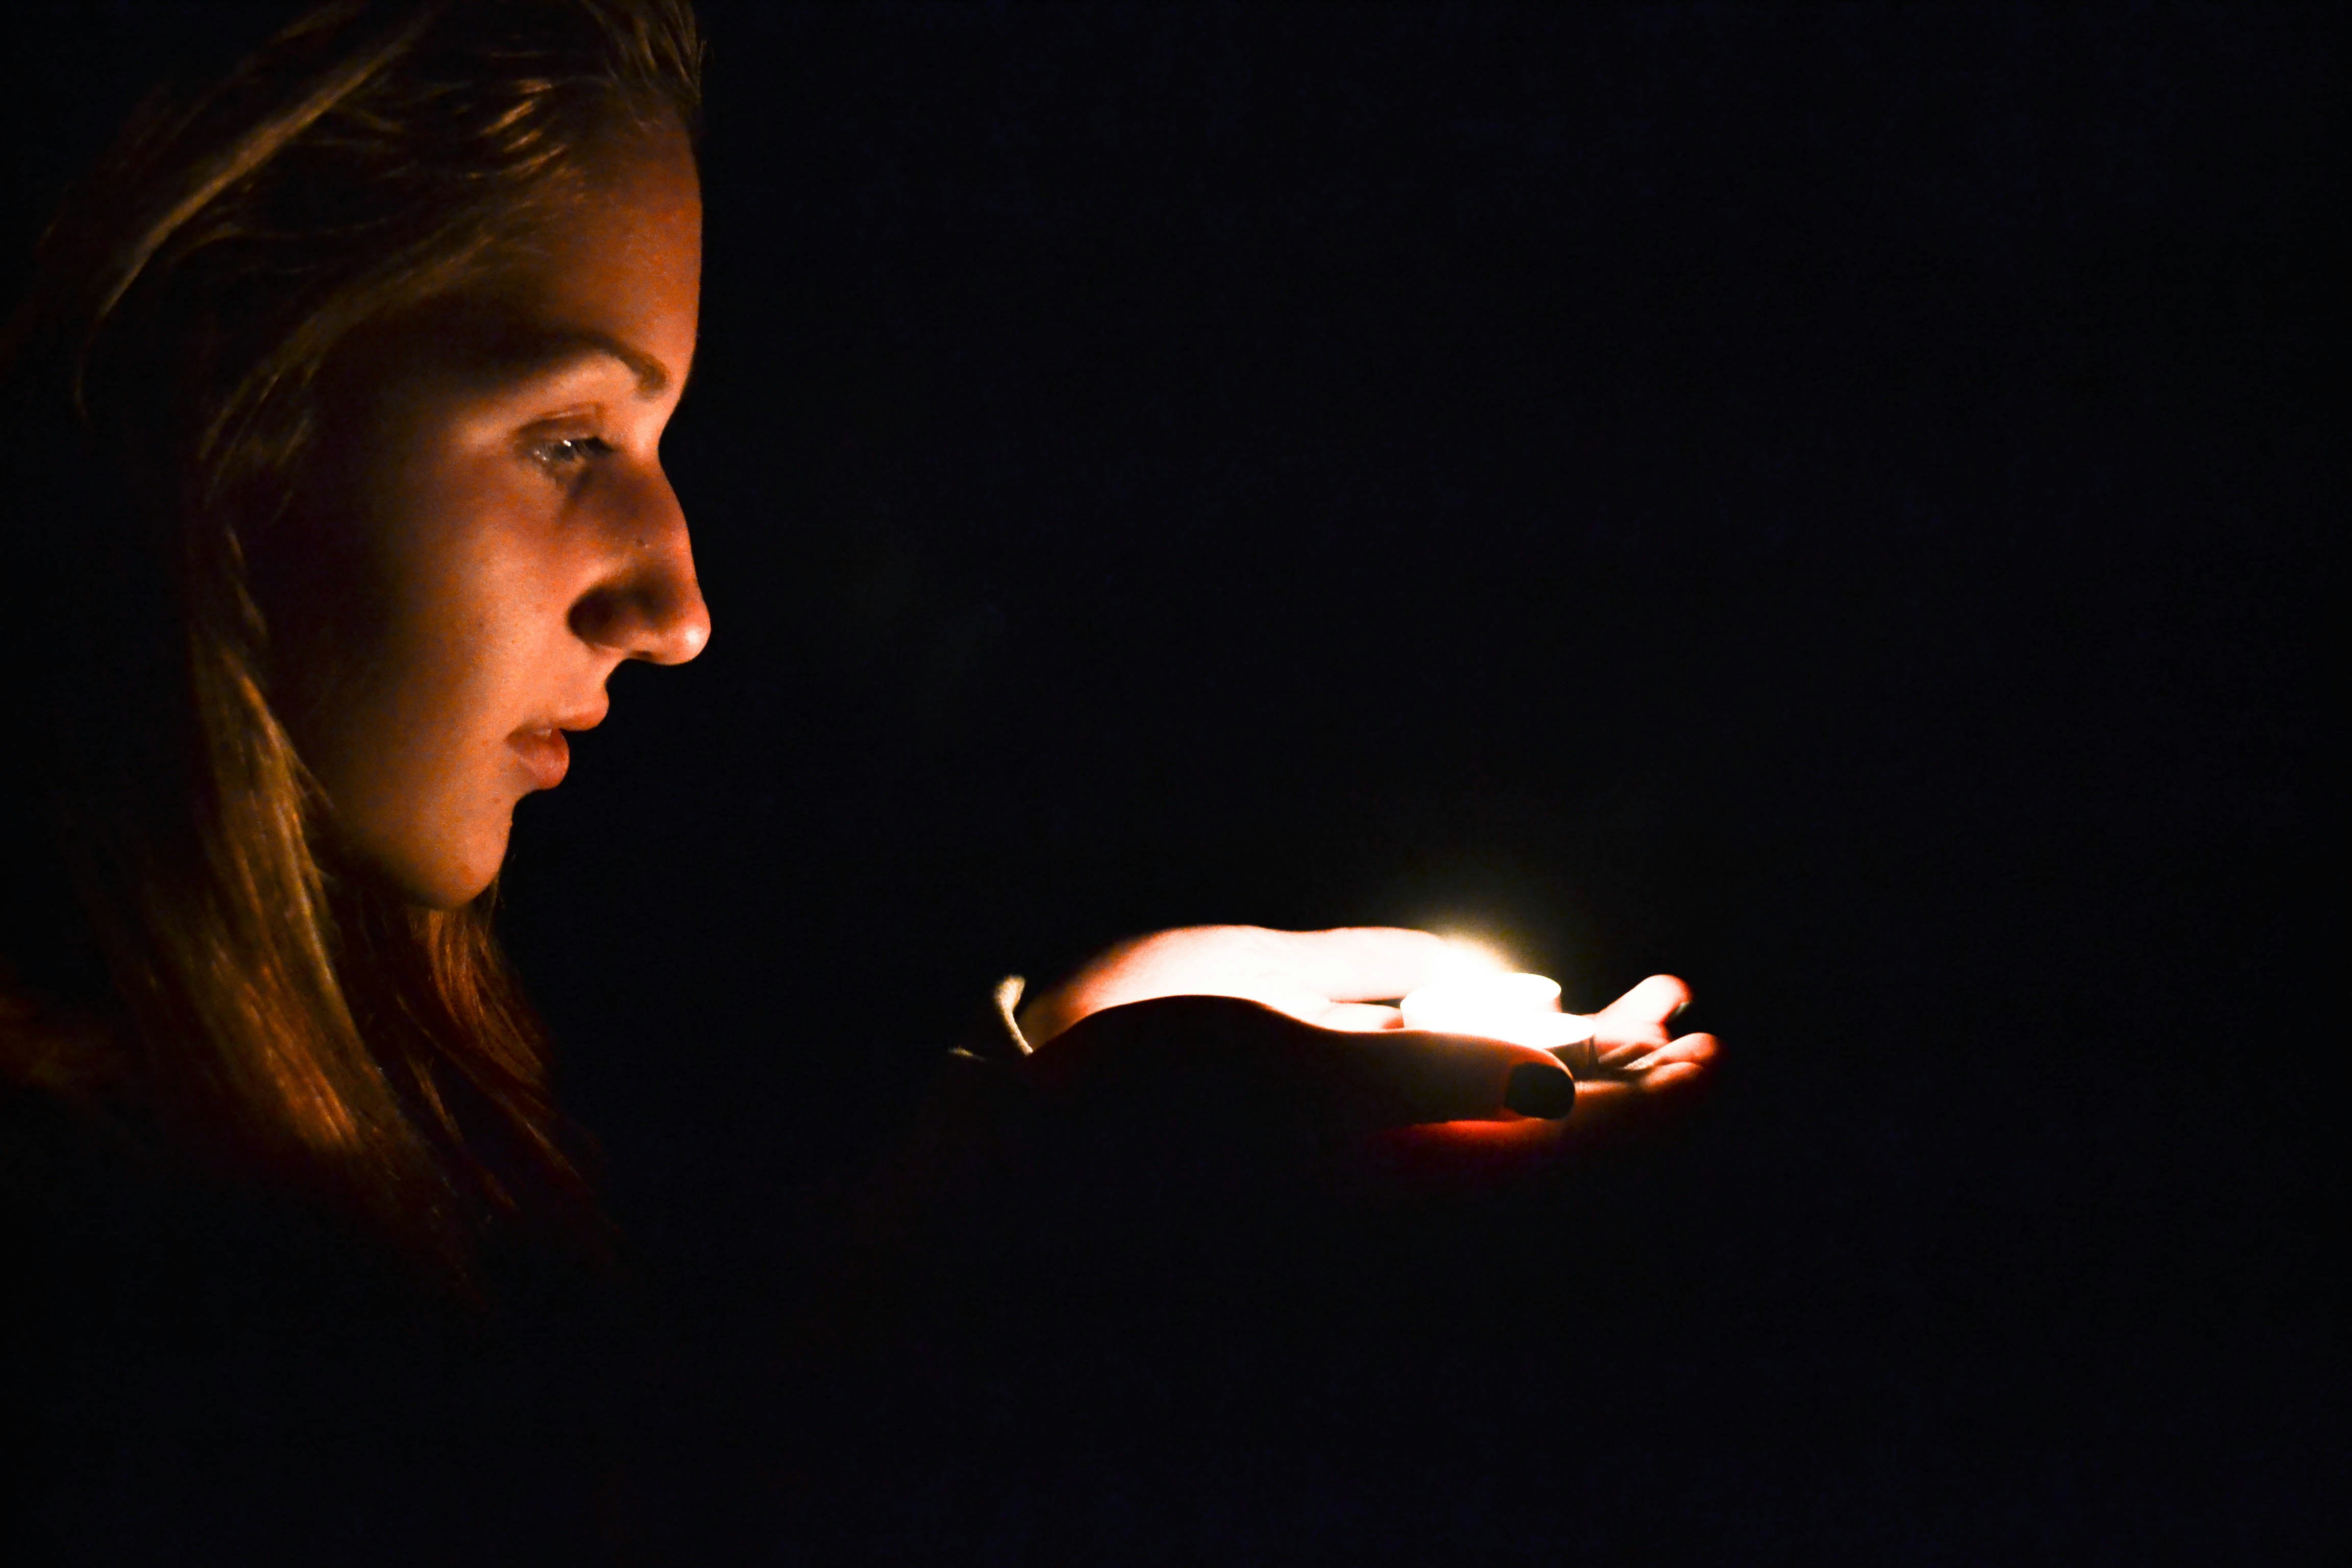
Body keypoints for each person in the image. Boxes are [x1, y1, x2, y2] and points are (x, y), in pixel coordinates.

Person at [0, 1, 1717, 1555]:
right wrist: (983, 1283)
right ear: (203, 403)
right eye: (568, 439)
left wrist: (1051, 1054)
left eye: (655, 448)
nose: (675, 609)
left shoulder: (350, 1102)